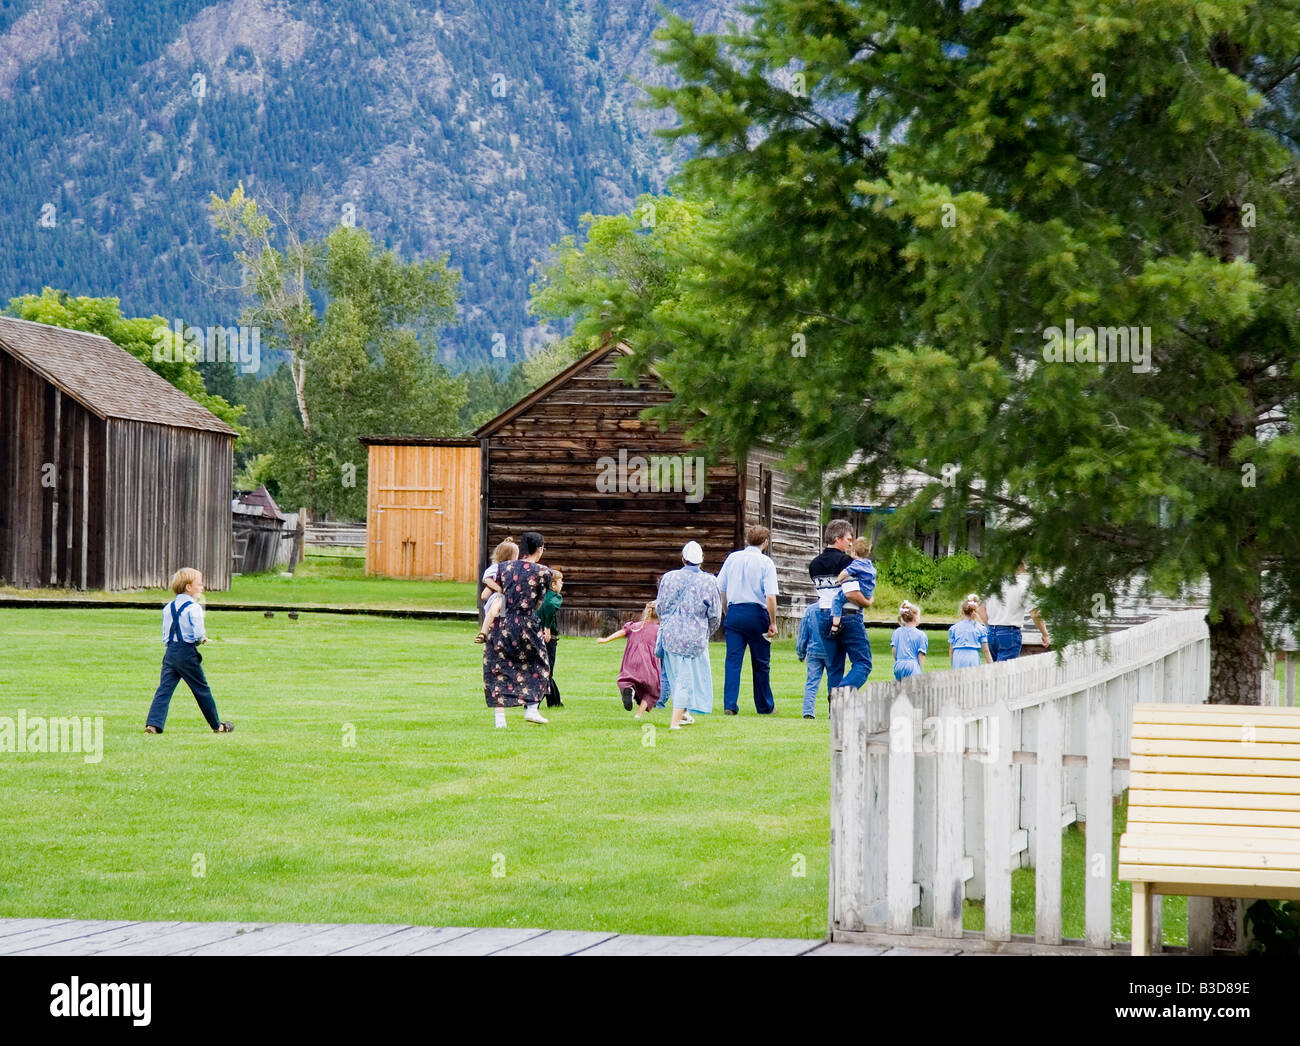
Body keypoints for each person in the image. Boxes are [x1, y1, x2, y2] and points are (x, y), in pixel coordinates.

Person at [145, 568, 234, 734]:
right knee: (201, 689)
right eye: (199, 584)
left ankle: (153, 725)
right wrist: (202, 640)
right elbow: (198, 634)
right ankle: (217, 725)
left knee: (164, 689)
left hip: (170, 652)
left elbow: (166, 634)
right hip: (186, 653)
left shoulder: (168, 607)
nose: (202, 587)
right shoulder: (194, 608)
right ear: (188, 587)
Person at [482, 531, 553, 727]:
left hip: (503, 623)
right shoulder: (544, 572)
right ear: (539, 550)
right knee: (539, 664)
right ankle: (531, 709)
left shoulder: (503, 567)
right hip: (528, 623)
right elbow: (539, 602)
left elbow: (488, 593)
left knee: (499, 667)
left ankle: (500, 721)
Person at [656, 541, 722, 731]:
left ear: (683, 558)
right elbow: (715, 614)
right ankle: (675, 722)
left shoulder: (668, 578)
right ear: (701, 560)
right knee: (686, 679)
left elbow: (660, 606)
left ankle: (683, 713)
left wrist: (667, 624)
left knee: (678, 676)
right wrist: (707, 632)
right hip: (695, 636)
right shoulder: (709, 581)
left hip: (670, 634)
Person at [716, 525, 780, 715]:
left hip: (735, 611)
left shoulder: (732, 559)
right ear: (765, 542)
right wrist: (773, 621)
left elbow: (721, 588)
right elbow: (770, 597)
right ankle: (764, 705)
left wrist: (727, 611)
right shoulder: (765, 563)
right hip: (756, 613)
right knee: (761, 662)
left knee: (733, 661)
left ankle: (730, 704)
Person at [808, 520, 873, 694]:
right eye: (848, 539)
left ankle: (834, 710)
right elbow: (851, 593)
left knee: (835, 666)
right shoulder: (847, 562)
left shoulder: (814, 564)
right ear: (838, 539)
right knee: (863, 663)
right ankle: (841, 693)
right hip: (849, 614)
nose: (851, 543)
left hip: (824, 614)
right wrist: (868, 602)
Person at [598, 602, 666, 720]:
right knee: (652, 691)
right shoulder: (660, 630)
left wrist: (605, 639)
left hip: (631, 663)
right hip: (649, 666)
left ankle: (629, 689)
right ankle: (638, 715)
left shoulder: (634, 626)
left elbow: (622, 632)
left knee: (625, 680)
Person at [979, 561, 1051, 660]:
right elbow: (1034, 613)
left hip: (991, 632)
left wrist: (992, 625)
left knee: (995, 669)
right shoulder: (1022, 586)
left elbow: (980, 608)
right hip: (1010, 633)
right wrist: (1045, 634)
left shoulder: (990, 584)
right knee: (1005, 672)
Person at [829, 537, 877, 637]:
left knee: (837, 600)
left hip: (861, 589)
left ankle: (835, 625)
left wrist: (838, 581)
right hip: (869, 592)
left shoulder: (856, 564)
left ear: (854, 552)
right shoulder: (869, 564)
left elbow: (845, 573)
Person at [474, 536, 518, 643]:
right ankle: (483, 632)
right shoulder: (496, 567)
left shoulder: (514, 569)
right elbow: (487, 579)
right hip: (498, 596)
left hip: (507, 598)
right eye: (516, 555)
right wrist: (498, 588)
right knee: (494, 609)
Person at [795, 600, 827, 719]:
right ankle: (833, 711)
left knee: (811, 682)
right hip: (833, 652)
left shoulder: (810, 610)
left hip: (813, 650)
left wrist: (801, 652)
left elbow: (803, 633)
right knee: (834, 683)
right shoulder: (837, 609)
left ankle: (808, 711)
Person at [539, 569, 564, 708]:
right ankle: (533, 702)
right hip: (549, 637)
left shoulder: (540, 596)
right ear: (553, 584)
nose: (562, 584)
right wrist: (547, 627)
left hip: (536, 635)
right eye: (560, 581)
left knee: (545, 670)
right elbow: (549, 607)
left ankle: (555, 702)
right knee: (547, 670)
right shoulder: (554, 597)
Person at [949, 594, 992, 669]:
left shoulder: (954, 628)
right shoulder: (980, 628)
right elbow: (985, 650)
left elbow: (951, 649)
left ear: (962, 611)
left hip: (958, 657)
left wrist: (952, 663)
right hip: (972, 657)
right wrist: (991, 664)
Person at [891, 601, 928, 680]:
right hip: (913, 665)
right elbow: (921, 655)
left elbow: (894, 650)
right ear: (915, 617)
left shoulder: (897, 632)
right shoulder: (921, 635)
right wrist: (920, 669)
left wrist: (898, 661)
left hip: (899, 665)